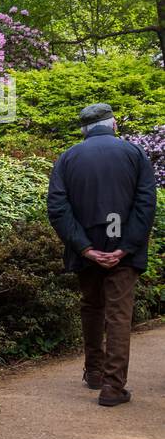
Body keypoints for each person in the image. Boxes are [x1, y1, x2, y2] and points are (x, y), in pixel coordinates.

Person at [47, 102, 157, 406]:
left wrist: (85, 248)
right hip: (124, 251)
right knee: (118, 316)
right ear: (113, 124)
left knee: (92, 308)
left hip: (87, 252)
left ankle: (94, 372)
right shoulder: (134, 154)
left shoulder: (67, 158)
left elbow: (58, 209)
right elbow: (146, 205)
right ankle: (112, 388)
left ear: (84, 129)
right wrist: (125, 247)